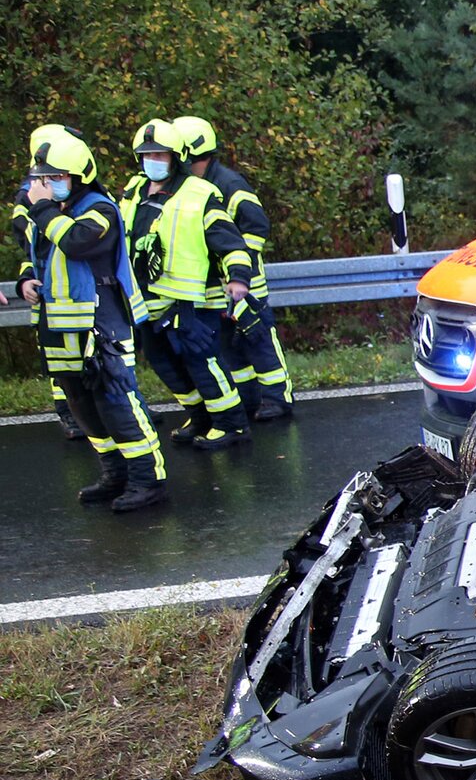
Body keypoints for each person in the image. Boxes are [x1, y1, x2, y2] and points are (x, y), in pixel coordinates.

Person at [14, 128, 168, 511]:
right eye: (45, 178)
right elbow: (41, 253)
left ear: (79, 175)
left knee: (116, 401)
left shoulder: (100, 209)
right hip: (61, 326)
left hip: (102, 326)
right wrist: (26, 280)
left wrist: (43, 208)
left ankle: (147, 479)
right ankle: (114, 473)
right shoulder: (56, 212)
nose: (49, 185)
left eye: (57, 178)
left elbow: (77, 243)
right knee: (82, 404)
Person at [121, 118, 256, 448]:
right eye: (147, 154)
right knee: (163, 363)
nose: (152, 161)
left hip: (191, 301)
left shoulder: (200, 194)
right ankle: (200, 415)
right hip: (146, 299)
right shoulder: (134, 190)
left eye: (160, 155)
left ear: (176, 157)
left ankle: (231, 424)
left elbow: (232, 242)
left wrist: (239, 278)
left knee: (202, 359)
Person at [177, 115, 293, 420]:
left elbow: (256, 225)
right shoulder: (191, 187)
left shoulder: (228, 184)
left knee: (258, 338)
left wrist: (239, 269)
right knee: (229, 344)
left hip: (245, 283)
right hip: (215, 285)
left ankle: (278, 397)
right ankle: (250, 398)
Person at [12, 158, 86, 438]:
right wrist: (24, 281)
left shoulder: (85, 202)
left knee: (94, 366)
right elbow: (31, 249)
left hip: (81, 302)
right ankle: (69, 415)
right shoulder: (30, 199)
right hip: (50, 300)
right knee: (59, 365)